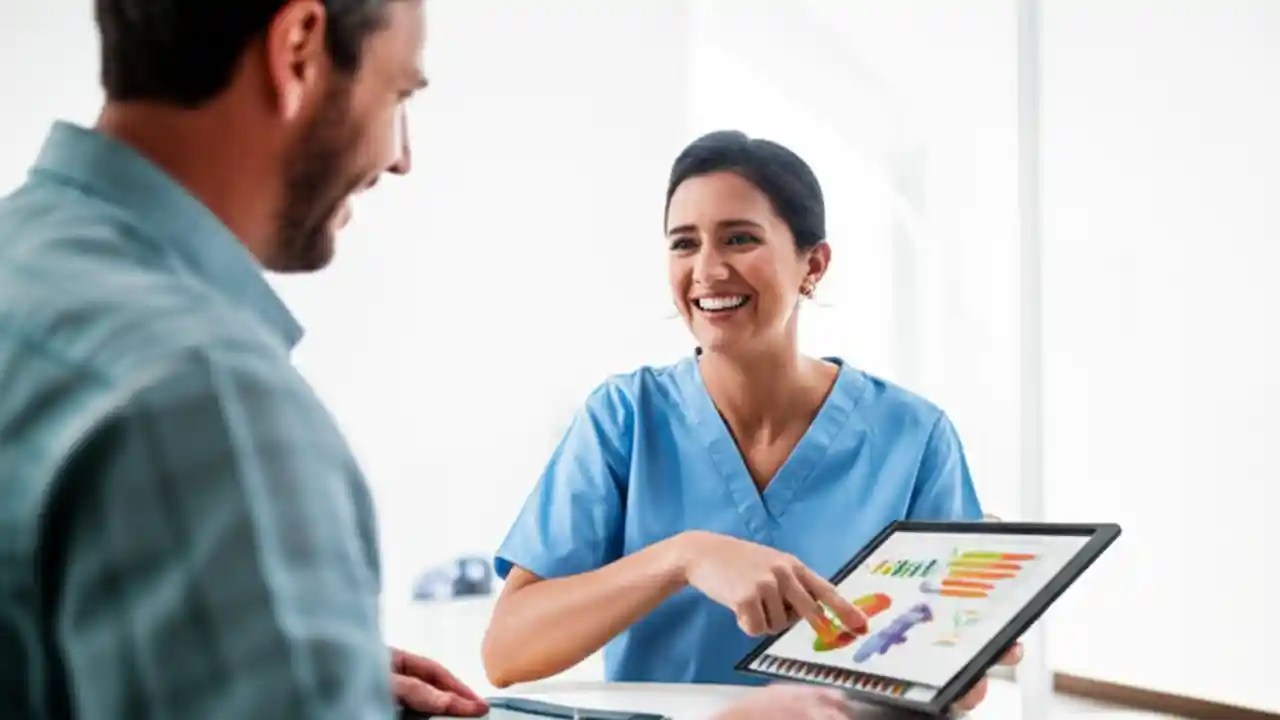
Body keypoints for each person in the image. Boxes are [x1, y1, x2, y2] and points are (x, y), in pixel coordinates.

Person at [0, 3, 854, 719]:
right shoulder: (209, 396)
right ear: (297, 50)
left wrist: (296, 671)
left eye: (741, 239)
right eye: (398, 91)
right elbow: (512, 647)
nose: (400, 154)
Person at [483, 130, 1021, 713]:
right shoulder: (624, 419)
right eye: (684, 244)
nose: (708, 270)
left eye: (739, 239)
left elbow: (958, 693)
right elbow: (508, 652)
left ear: (812, 264)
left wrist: (972, 644)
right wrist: (683, 558)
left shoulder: (913, 437)